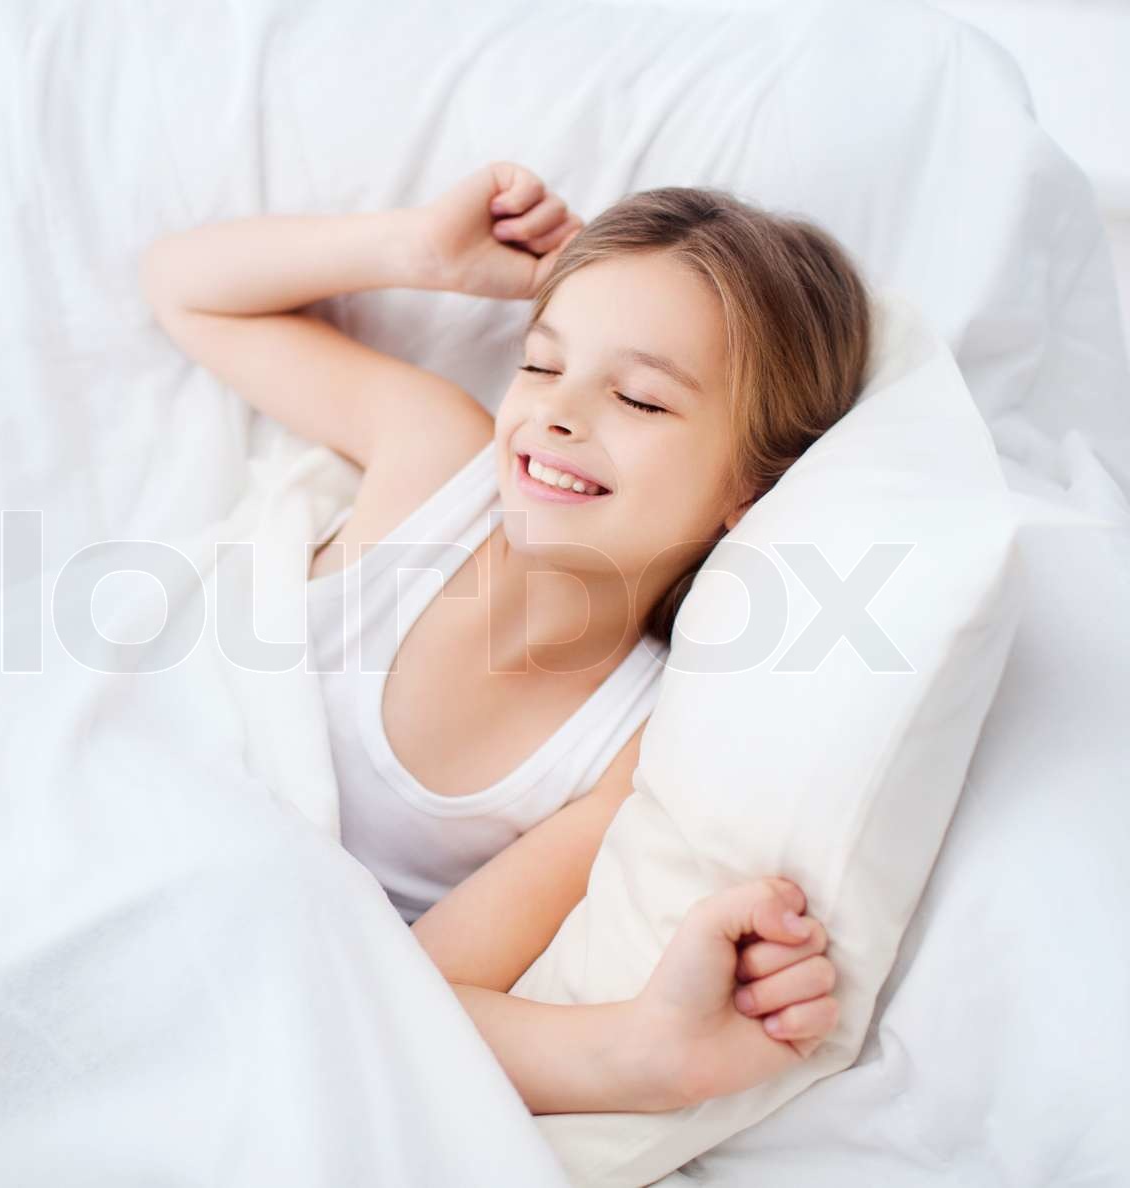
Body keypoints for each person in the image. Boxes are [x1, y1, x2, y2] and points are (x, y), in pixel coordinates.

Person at [140, 161, 870, 1113]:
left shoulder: (631, 743)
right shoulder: (438, 463)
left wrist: (641, 1052)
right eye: (542, 362)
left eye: (641, 399)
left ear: (757, 489)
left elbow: (393, 993)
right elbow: (184, 290)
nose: (558, 412)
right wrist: (412, 250)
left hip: (202, 940)